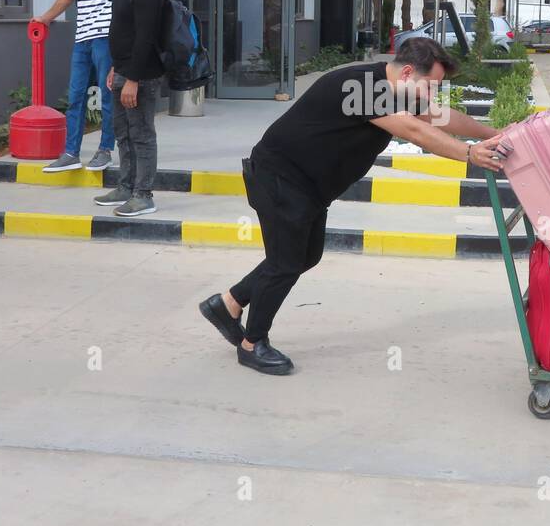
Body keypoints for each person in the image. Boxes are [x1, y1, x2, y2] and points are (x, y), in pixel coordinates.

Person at [198, 37, 505, 375]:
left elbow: (441, 118)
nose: (431, 97)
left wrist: (494, 132)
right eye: (429, 87)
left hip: (309, 187)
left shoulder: (399, 90)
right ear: (406, 73)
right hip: (279, 177)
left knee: (305, 257)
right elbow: (415, 131)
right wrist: (468, 154)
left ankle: (227, 304)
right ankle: (252, 344)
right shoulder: (361, 87)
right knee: (286, 263)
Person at [37, 0, 160, 174]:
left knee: (107, 96)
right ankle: (70, 153)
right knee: (75, 96)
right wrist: (45, 18)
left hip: (106, 37)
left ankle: (104, 150)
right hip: (82, 39)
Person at [97, 0, 167, 218]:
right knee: (123, 134)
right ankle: (126, 187)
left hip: (141, 76)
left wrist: (133, 80)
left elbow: (145, 37)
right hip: (123, 71)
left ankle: (143, 195)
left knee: (141, 135)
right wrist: (116, 68)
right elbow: (124, 31)